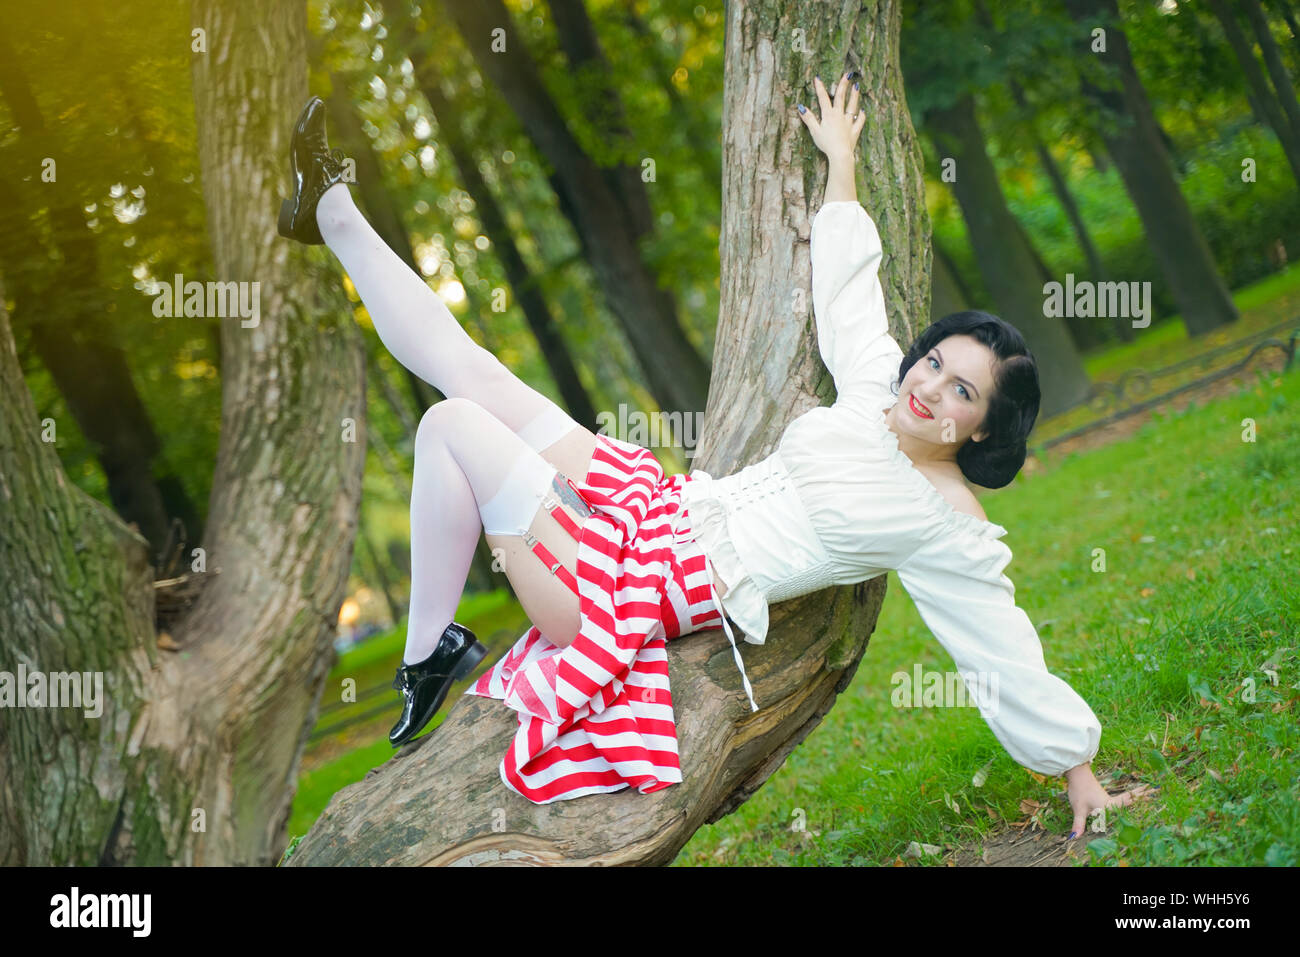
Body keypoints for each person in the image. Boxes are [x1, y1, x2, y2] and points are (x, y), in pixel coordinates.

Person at [278, 74, 1134, 837]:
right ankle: (333, 210)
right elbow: (850, 288)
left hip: (625, 596)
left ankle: (426, 652)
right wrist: (841, 160)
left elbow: (997, 643)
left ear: (981, 428)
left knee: (449, 426)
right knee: (472, 376)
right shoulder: (876, 389)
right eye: (938, 360)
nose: (932, 386)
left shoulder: (943, 517)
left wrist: (1077, 768)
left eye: (961, 392)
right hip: (653, 508)